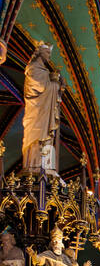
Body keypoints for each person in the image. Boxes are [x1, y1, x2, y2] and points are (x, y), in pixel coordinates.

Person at [23, 43, 62, 172]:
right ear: (40, 52)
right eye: (47, 53)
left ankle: (46, 167)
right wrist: (54, 83)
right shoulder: (33, 68)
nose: (49, 56)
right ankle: (33, 167)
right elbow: (40, 86)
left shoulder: (43, 71)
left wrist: (55, 83)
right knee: (36, 139)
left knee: (47, 138)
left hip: (44, 112)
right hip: (36, 113)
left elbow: (46, 85)